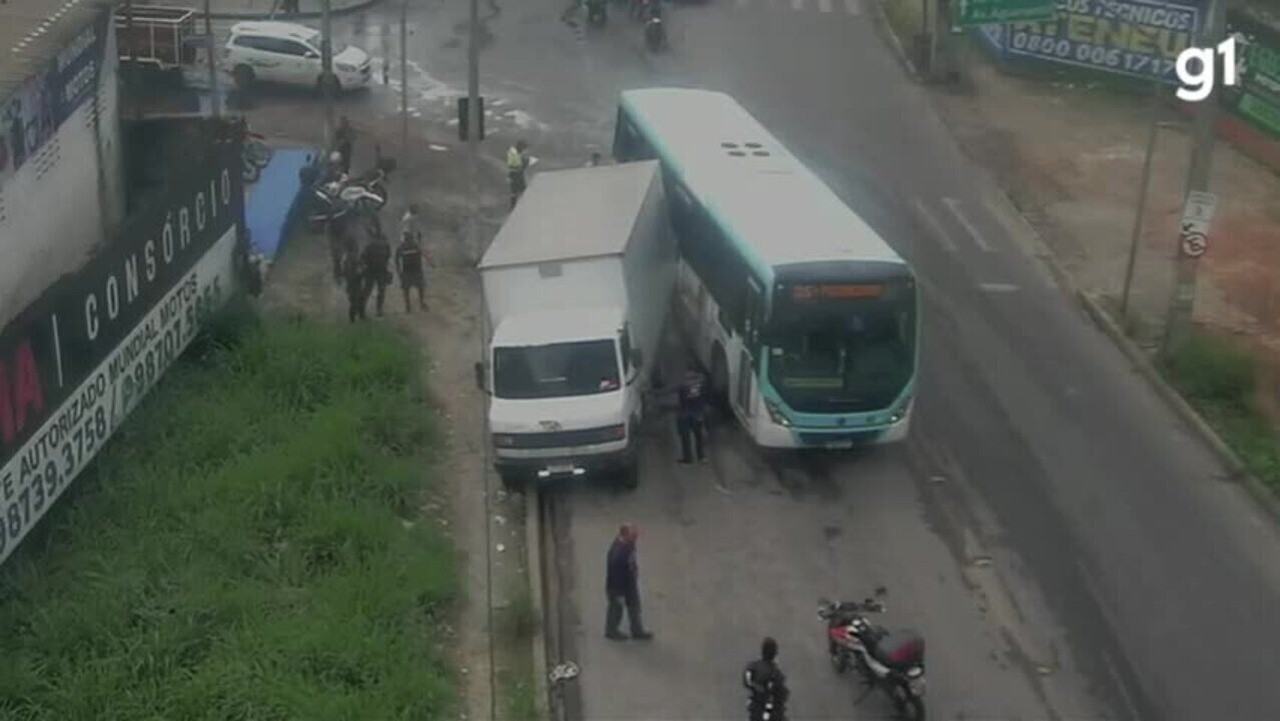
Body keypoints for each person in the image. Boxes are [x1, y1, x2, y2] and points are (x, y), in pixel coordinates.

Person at [605, 523, 652, 641]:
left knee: (634, 607)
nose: (636, 537)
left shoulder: (628, 544)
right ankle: (611, 631)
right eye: (633, 535)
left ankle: (637, 631)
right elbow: (616, 575)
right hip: (618, 586)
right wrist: (619, 593)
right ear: (625, 535)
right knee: (616, 609)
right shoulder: (618, 553)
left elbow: (631, 561)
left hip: (629, 583)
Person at [743, 637, 789, 721]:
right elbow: (782, 694)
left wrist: (755, 687)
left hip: (756, 711)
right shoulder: (776, 673)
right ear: (775, 654)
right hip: (773, 714)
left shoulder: (754, 666)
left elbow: (747, 680)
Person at [397, 206, 429, 312]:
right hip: (415, 270)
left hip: (407, 270)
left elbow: (397, 259)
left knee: (408, 289)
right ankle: (419, 304)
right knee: (420, 287)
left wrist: (399, 271)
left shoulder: (403, 247)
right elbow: (423, 253)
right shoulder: (414, 245)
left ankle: (408, 307)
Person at [675, 360, 708, 464]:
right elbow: (706, 396)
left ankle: (688, 459)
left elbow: (666, 390)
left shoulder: (683, 384)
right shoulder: (701, 382)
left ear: (688, 371)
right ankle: (701, 457)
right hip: (698, 415)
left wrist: (651, 391)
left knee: (685, 439)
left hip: (684, 415)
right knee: (699, 437)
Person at [361, 230, 392, 317]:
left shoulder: (369, 245)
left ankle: (362, 311)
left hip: (370, 271)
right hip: (382, 270)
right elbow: (388, 257)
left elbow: (363, 257)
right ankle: (379, 311)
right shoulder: (386, 245)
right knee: (381, 291)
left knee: (367, 291)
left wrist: (365, 266)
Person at [342, 247, 366, 322]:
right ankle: (360, 315)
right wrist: (362, 273)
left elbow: (343, 271)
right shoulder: (357, 258)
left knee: (353, 299)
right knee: (360, 298)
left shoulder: (346, 258)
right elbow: (361, 270)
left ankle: (353, 317)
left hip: (349, 281)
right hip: (356, 281)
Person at [506, 140, 531, 209]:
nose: (527, 151)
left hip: (519, 177)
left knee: (517, 193)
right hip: (516, 178)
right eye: (526, 150)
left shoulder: (523, 158)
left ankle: (516, 207)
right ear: (522, 149)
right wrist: (510, 176)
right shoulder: (517, 157)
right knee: (516, 193)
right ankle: (514, 208)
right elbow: (513, 169)